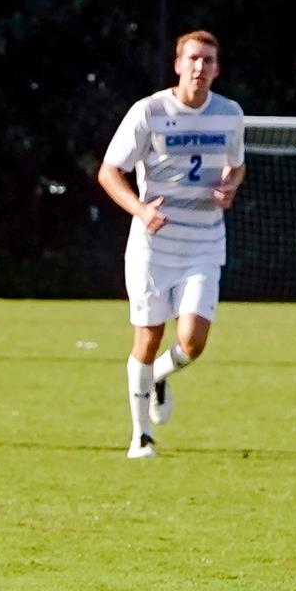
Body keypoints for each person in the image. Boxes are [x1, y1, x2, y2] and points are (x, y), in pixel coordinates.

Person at [96, 30, 246, 459]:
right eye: (193, 59)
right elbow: (109, 172)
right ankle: (141, 436)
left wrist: (229, 187)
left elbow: (237, 166)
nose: (200, 68)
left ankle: (159, 377)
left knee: (194, 341)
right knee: (148, 336)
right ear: (178, 64)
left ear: (217, 69)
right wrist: (140, 211)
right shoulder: (149, 111)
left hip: (203, 241)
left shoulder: (229, 114)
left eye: (209, 61)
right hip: (153, 244)